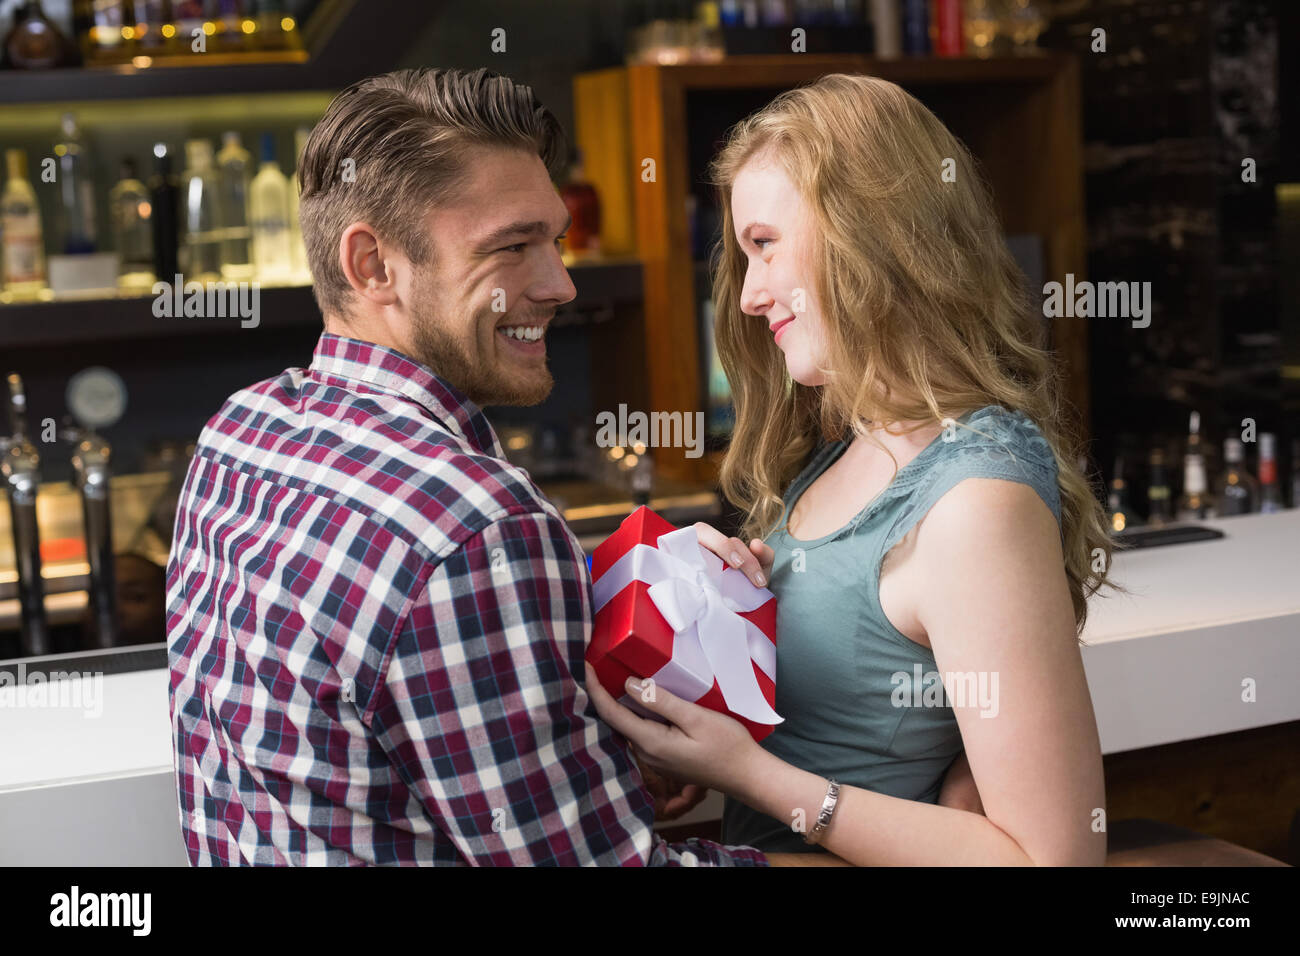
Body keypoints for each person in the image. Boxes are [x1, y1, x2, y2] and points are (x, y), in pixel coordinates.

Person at [169, 67, 974, 865]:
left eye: (552, 241)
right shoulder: (475, 529)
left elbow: (373, 765)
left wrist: (598, 766)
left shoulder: (239, 435)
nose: (558, 284)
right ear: (373, 265)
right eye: (512, 247)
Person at [588, 74, 1113, 865]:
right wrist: (713, 673)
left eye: (764, 245)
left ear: (870, 232)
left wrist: (750, 774)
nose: (751, 295)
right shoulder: (847, 446)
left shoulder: (975, 503)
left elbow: (1052, 859)